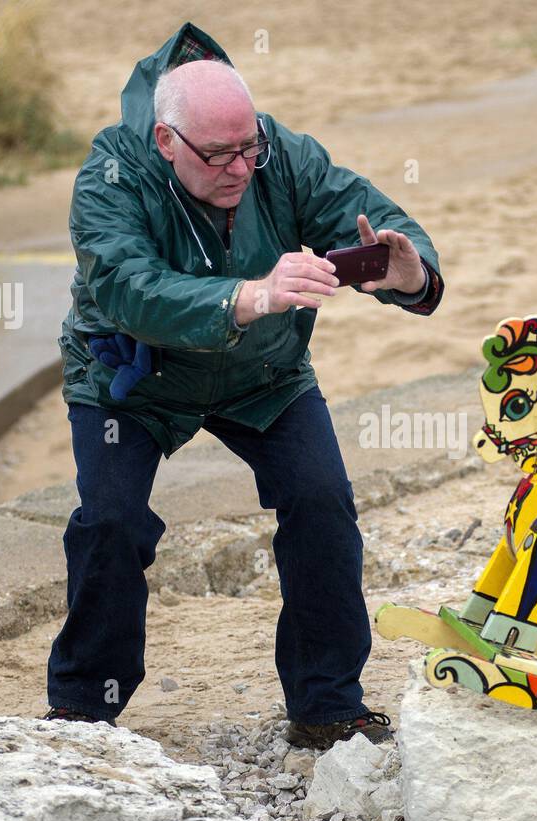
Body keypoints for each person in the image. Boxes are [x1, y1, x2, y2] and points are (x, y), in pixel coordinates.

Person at [43, 23, 444, 749]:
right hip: (132, 379)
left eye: (248, 147)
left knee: (322, 500)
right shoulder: (110, 172)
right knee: (110, 521)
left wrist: (408, 271)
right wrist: (249, 296)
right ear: (167, 141)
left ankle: (326, 701)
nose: (239, 167)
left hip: (263, 371)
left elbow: (371, 217)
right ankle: (82, 709)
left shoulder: (278, 153)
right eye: (219, 154)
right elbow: (128, 288)